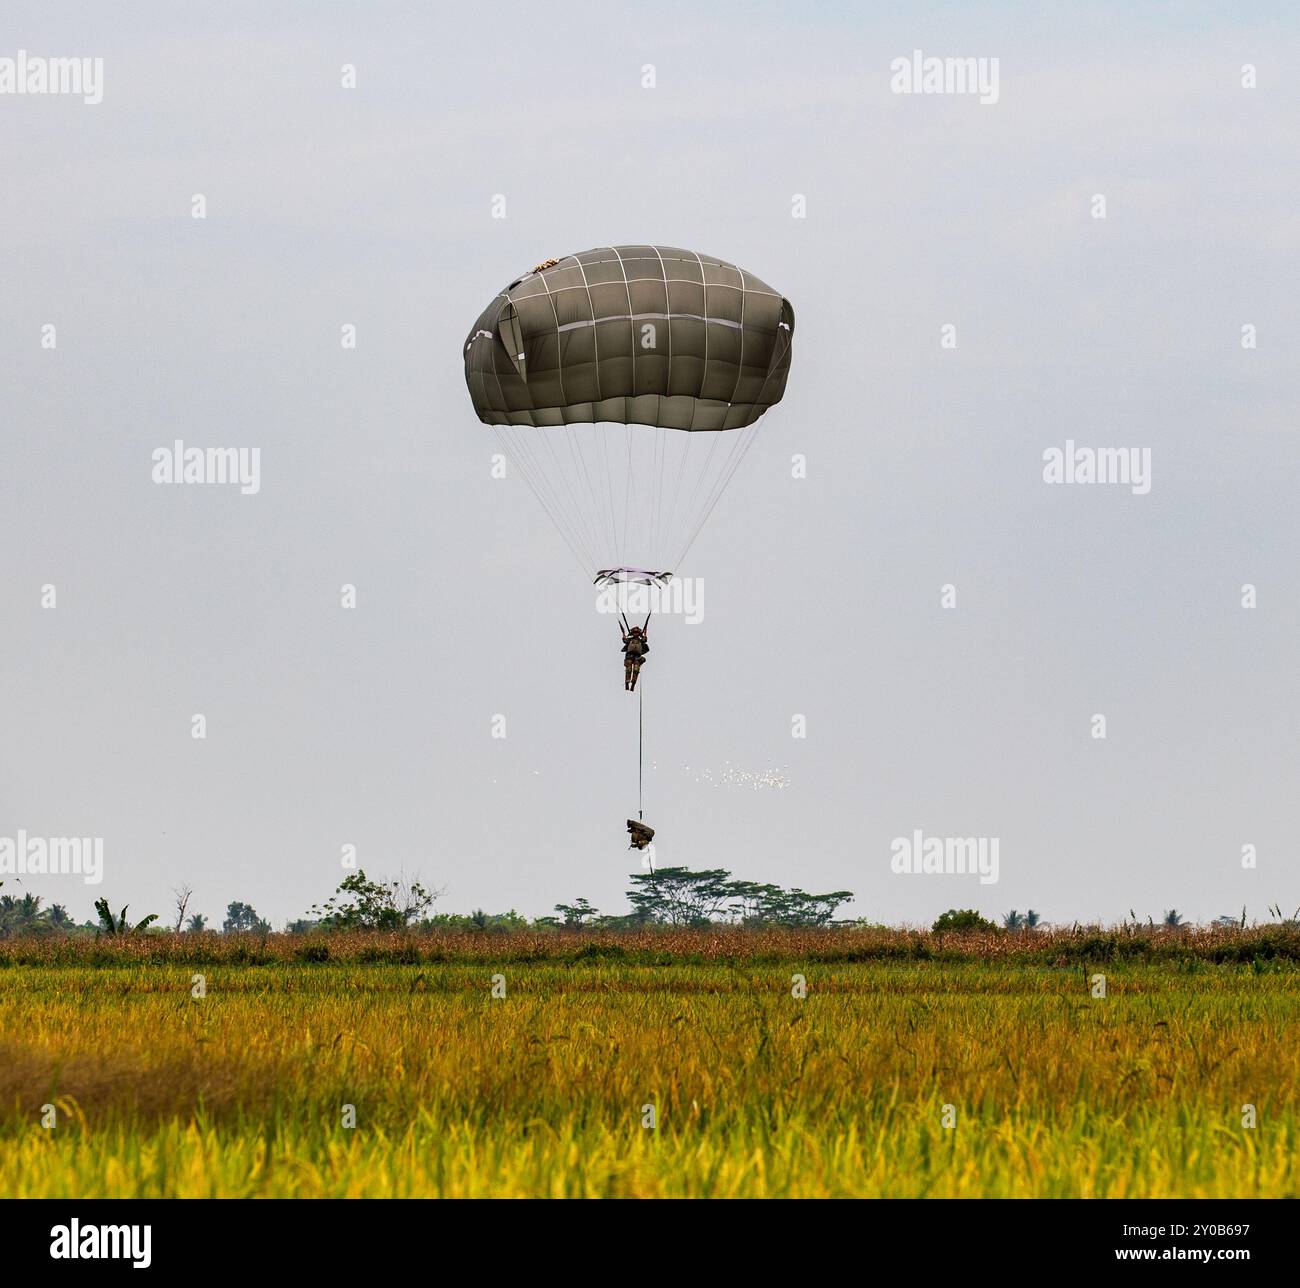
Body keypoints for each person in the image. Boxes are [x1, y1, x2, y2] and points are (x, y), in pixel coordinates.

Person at [620, 615, 650, 691]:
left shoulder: (641, 640)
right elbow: (624, 640)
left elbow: (645, 639)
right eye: (634, 633)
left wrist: (645, 633)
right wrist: (623, 635)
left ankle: (633, 683)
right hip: (629, 656)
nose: (636, 634)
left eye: (637, 633)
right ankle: (627, 682)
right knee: (629, 670)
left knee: (636, 670)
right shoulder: (630, 640)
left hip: (637, 656)